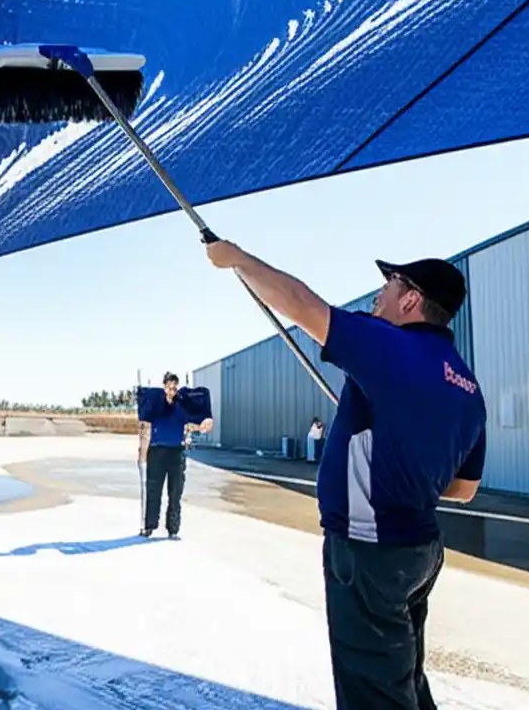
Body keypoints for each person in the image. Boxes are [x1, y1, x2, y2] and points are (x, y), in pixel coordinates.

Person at [206, 241, 486, 710]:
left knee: (374, 691)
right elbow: (464, 489)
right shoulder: (466, 383)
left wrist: (237, 259)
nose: (378, 299)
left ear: (411, 299)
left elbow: (301, 306)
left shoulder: (391, 345)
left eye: (387, 287)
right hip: (419, 551)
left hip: (369, 550)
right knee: (403, 676)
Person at [138, 372, 213, 540]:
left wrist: (202, 425)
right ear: (164, 387)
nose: (171, 391)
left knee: (175, 493)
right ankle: (149, 526)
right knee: (153, 492)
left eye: (174, 388)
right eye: (168, 387)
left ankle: (173, 529)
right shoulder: (156, 406)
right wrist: (142, 453)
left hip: (176, 453)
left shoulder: (182, 407)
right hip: (157, 452)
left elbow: (194, 421)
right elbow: (144, 421)